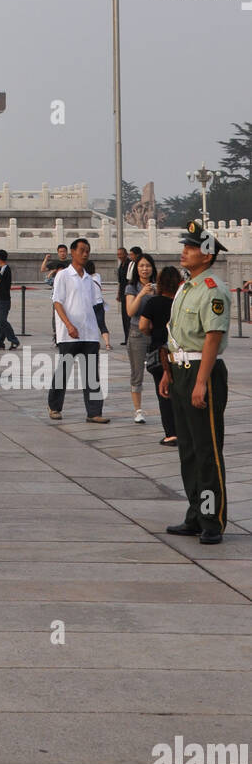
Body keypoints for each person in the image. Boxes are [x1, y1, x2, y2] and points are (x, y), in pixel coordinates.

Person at [161, 223, 230, 544]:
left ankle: (212, 520)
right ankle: (195, 514)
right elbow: (177, 336)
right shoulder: (188, 286)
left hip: (203, 372)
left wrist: (201, 383)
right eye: (185, 246)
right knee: (187, 449)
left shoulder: (213, 288)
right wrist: (167, 372)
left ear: (207, 255)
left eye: (191, 247)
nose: (184, 251)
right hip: (180, 371)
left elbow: (212, 337)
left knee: (206, 449)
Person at [48, 237, 108, 423]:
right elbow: (57, 302)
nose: (85, 254)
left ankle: (94, 412)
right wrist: (68, 325)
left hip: (89, 333)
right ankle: (54, 406)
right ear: (72, 252)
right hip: (69, 334)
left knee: (91, 374)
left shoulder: (90, 279)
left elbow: (95, 306)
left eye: (87, 251)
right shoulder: (63, 275)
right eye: (81, 250)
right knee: (63, 371)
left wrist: (100, 331)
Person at [139, 266, 182, 446]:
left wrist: (154, 332)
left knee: (163, 393)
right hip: (180, 352)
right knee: (180, 393)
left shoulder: (153, 302)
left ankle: (171, 434)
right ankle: (184, 431)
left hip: (159, 352)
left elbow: (142, 326)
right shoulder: (181, 303)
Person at [124, 254, 157, 425]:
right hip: (137, 333)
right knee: (137, 373)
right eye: (141, 266)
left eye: (148, 265)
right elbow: (130, 311)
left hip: (156, 333)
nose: (145, 269)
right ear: (136, 269)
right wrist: (142, 293)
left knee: (162, 370)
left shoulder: (158, 287)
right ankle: (138, 410)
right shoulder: (132, 288)